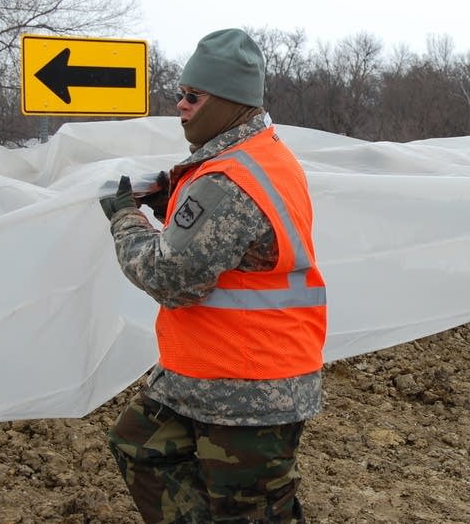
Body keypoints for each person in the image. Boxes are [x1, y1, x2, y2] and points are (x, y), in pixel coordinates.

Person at [99, 28, 327, 522]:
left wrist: (124, 218)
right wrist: (175, 205)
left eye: (193, 96)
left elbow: (169, 277)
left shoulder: (229, 178)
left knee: (252, 514)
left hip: (250, 387)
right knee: (140, 446)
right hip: (206, 375)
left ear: (228, 102)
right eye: (180, 93)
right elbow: (230, 241)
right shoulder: (258, 154)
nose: (180, 104)